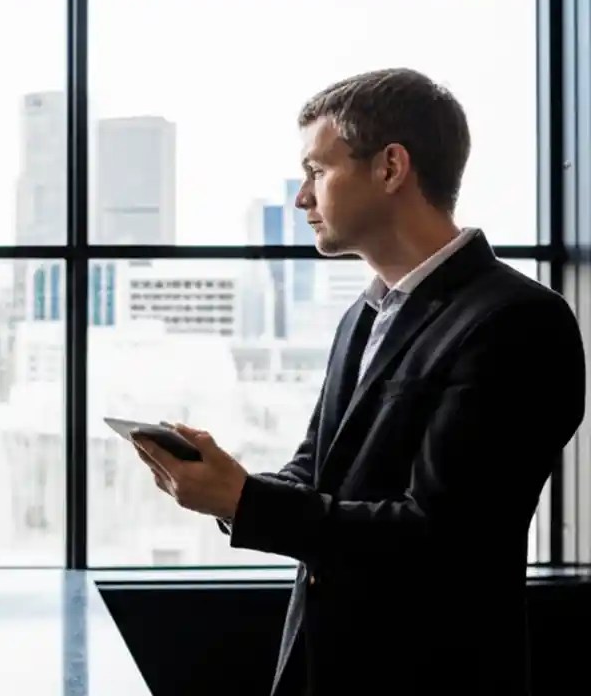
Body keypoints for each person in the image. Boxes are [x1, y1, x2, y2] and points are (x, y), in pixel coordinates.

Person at [131, 68, 585, 696]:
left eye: (316, 171)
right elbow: (317, 472)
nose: (301, 198)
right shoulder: (363, 315)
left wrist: (244, 501)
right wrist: (220, 479)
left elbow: (440, 539)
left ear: (391, 167)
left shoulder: (517, 322)